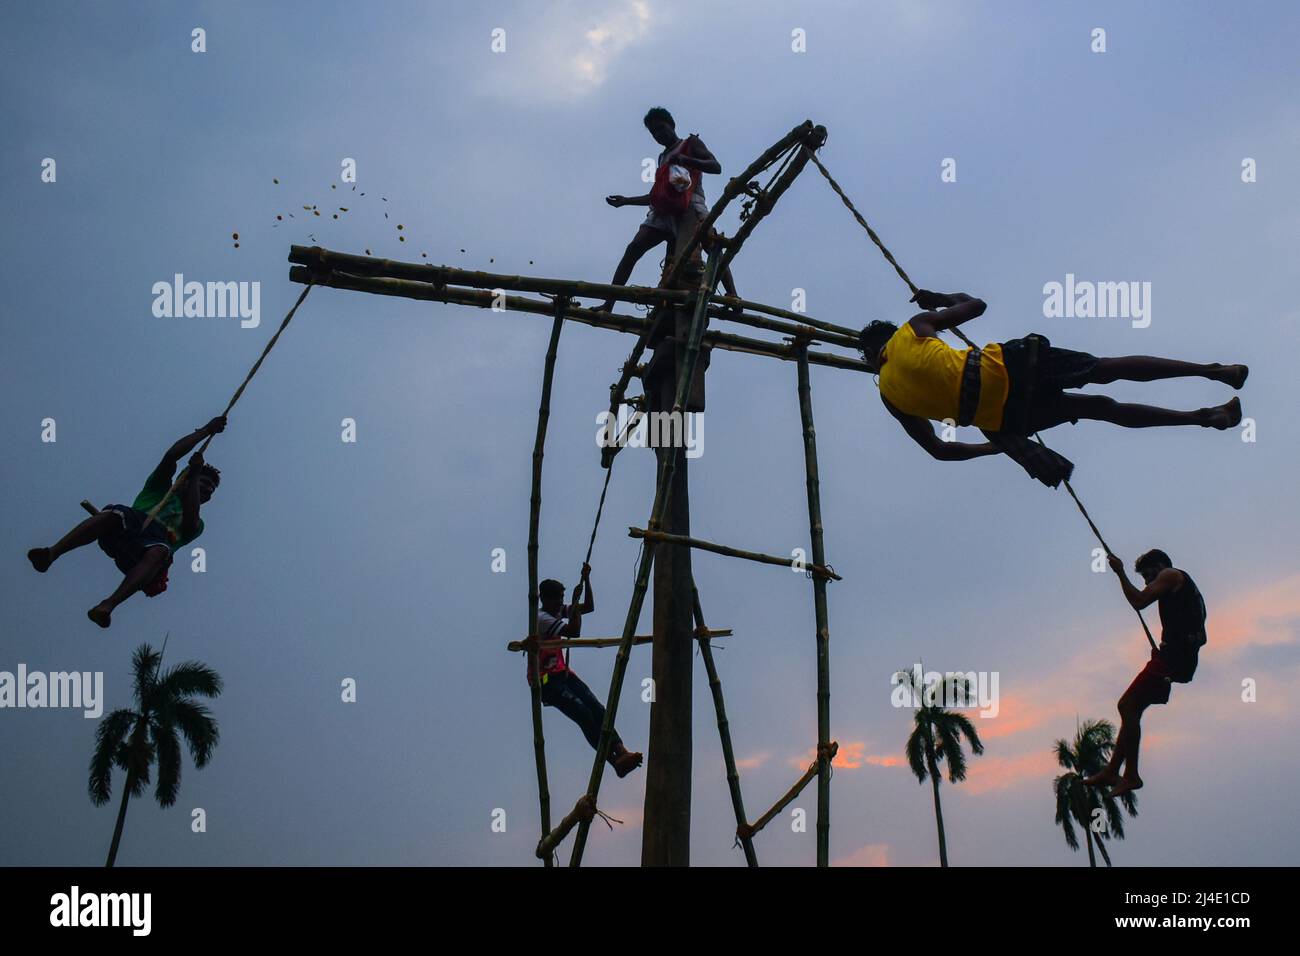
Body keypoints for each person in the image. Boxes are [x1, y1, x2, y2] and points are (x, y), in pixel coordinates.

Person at [858, 290, 1247, 485]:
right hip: (1009, 369)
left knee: (1100, 407)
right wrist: (940, 300)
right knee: (1104, 369)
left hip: (1006, 418)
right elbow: (977, 306)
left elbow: (940, 451)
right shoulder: (913, 329)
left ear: (871, 359)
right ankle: (1214, 371)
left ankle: (1205, 418)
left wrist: (994, 446)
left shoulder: (889, 397)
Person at [27, 417, 225, 628]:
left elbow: (190, 522)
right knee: (115, 513)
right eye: (205, 484)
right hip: (126, 531)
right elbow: (171, 457)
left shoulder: (197, 524)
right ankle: (51, 553)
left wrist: (195, 477)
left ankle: (107, 606)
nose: (207, 491)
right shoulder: (159, 489)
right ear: (182, 480)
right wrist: (205, 431)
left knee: (160, 550)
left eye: (210, 491)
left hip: (145, 554)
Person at [1084, 549, 1208, 797]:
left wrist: (1119, 573)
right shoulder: (1185, 588)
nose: (1147, 582)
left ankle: (1130, 775)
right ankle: (1112, 770)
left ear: (1159, 565)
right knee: (1133, 708)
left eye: (1147, 575)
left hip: (1173, 659)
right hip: (1176, 658)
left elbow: (1138, 601)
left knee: (1126, 705)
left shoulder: (1171, 575)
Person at [598, 106, 738, 314]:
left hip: (690, 210)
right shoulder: (662, 158)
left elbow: (715, 167)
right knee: (633, 249)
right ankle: (609, 303)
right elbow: (658, 195)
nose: (659, 135)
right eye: (654, 132)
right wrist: (626, 201)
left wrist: (686, 160)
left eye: (661, 129)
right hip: (664, 213)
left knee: (710, 245)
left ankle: (732, 296)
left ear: (672, 126)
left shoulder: (690, 144)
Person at [530, 564, 642, 778]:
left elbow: (588, 607)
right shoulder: (542, 619)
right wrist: (573, 605)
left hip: (563, 674)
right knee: (583, 713)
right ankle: (614, 761)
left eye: (562, 600)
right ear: (545, 600)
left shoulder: (555, 611)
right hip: (546, 681)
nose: (560, 605)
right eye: (557, 600)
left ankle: (622, 751)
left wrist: (586, 581)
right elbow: (574, 631)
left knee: (598, 709)